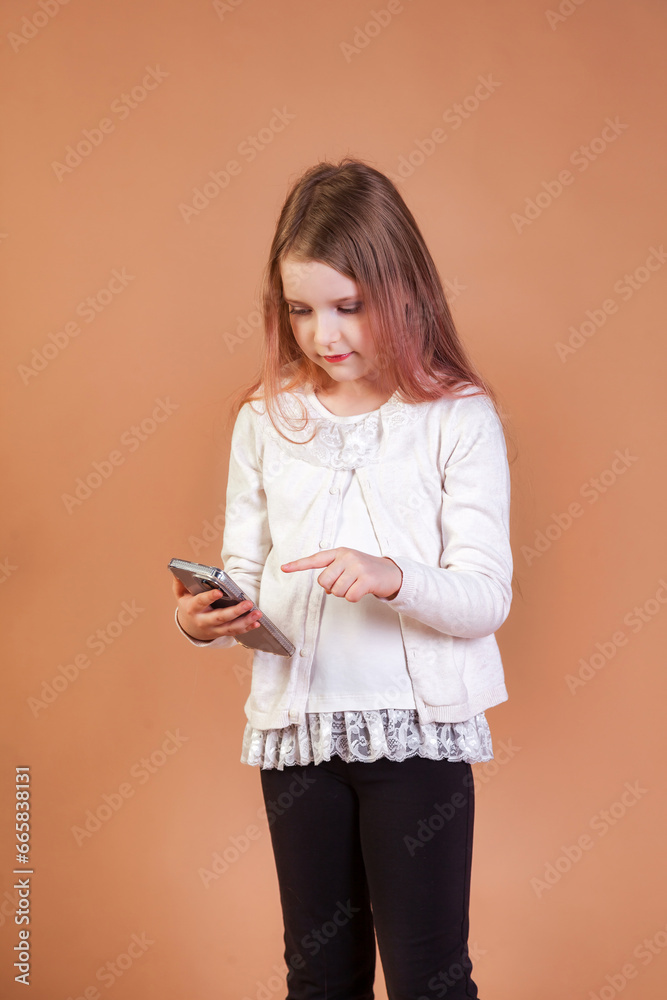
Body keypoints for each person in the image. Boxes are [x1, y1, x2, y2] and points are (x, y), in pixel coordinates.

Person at [172, 157, 515, 1000]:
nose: (325, 335)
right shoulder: (265, 420)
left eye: (348, 307)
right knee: (318, 977)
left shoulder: (456, 417)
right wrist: (200, 617)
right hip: (298, 736)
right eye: (300, 310)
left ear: (403, 291)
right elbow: (242, 570)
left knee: (430, 979)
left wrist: (391, 575)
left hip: (414, 739)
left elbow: (484, 598)